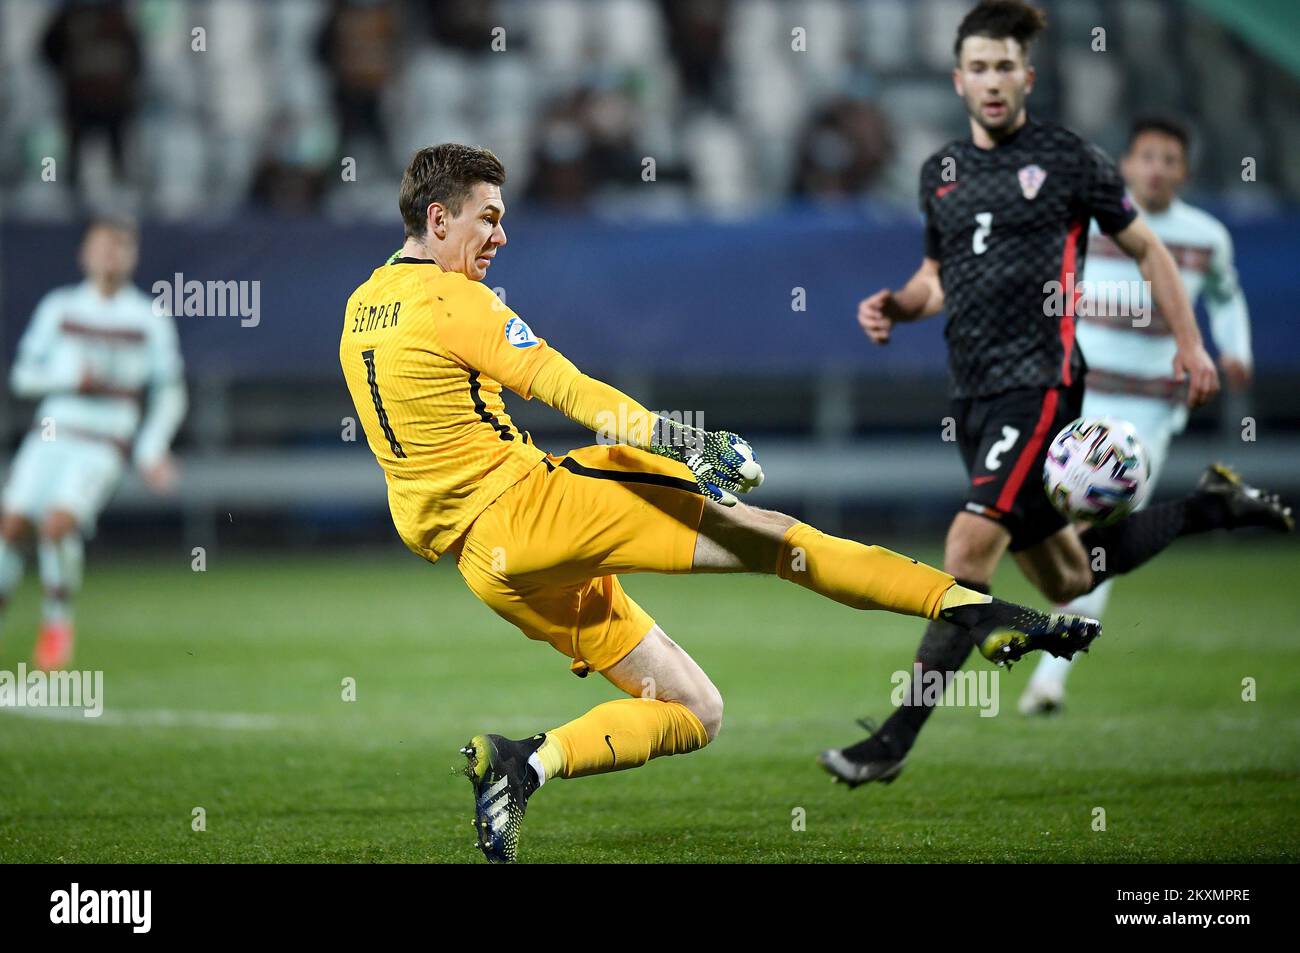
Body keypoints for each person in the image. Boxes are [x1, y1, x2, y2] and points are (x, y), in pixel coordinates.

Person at [339, 143, 1102, 863]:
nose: (501, 235)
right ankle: (972, 609)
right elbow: (566, 387)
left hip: (489, 566)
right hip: (538, 509)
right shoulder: (455, 302)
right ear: (439, 219)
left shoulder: (359, 309)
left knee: (694, 709)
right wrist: (680, 440)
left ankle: (523, 764)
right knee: (779, 540)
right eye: (488, 217)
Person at [823, 1, 1291, 788]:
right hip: (972, 394)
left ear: (1028, 77)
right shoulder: (940, 172)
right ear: (958, 80)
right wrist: (898, 306)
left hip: (1039, 384)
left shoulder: (1069, 160)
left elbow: (1149, 250)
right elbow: (937, 276)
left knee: (966, 549)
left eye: (1005, 66)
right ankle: (1209, 507)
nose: (992, 81)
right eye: (979, 67)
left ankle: (893, 740)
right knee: (1068, 577)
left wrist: (1189, 343)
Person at [1019, 116, 1259, 714]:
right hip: (1079, 400)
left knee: (1097, 535)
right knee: (1058, 534)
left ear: (1185, 171)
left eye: (1169, 159)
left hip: (1146, 416)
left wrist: (1236, 349)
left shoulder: (1205, 237)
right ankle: (1049, 648)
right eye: (1147, 156)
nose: (1156, 168)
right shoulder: (1093, 220)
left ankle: (1049, 677)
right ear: (1126, 164)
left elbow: (1226, 295)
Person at [0, 219, 186, 670]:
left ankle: (57, 622)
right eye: (102, 246)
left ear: (133, 257)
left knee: (57, 524)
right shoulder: (59, 307)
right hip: (52, 433)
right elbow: (22, 376)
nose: (110, 256)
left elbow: (170, 390)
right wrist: (67, 378)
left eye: (120, 247)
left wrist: (151, 448)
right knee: (12, 526)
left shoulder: (148, 317)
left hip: (104, 441)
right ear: (84, 253)